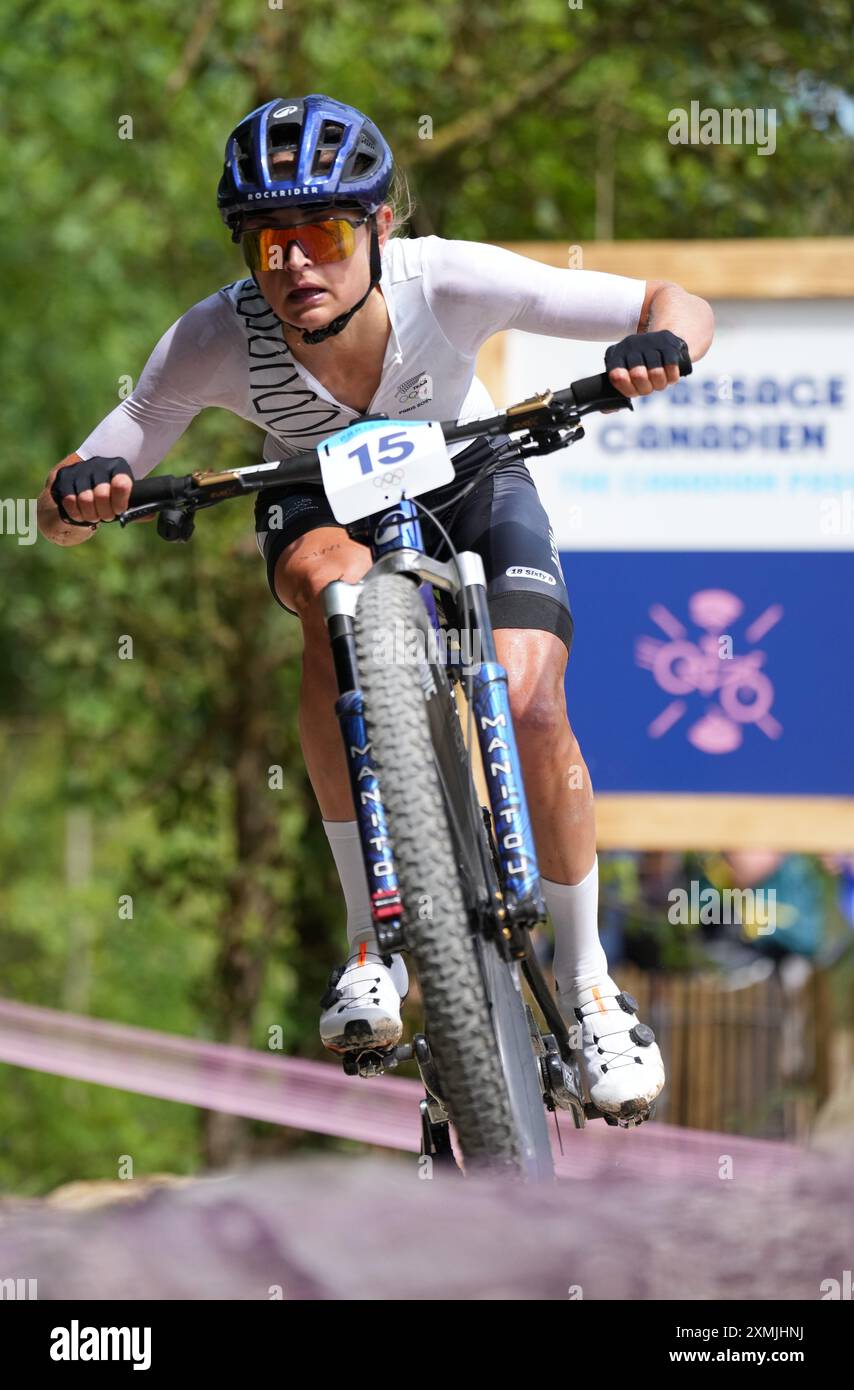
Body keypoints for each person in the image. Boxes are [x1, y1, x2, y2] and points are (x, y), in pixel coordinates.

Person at [39, 93, 715, 1123]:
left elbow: (673, 301)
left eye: (323, 234)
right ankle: (369, 940)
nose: (295, 265)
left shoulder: (444, 278)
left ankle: (587, 988)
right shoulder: (213, 336)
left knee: (534, 696)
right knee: (325, 590)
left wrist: (659, 346)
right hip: (317, 499)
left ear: (379, 228)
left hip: (473, 475)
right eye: (269, 244)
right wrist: (77, 499)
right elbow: (78, 492)